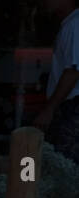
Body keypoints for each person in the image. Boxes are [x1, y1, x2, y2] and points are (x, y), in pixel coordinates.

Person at [35, 0, 79, 162]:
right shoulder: (70, 24)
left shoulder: (75, 24)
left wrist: (49, 109)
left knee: (66, 163)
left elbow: (73, 70)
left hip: (72, 105)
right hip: (68, 105)